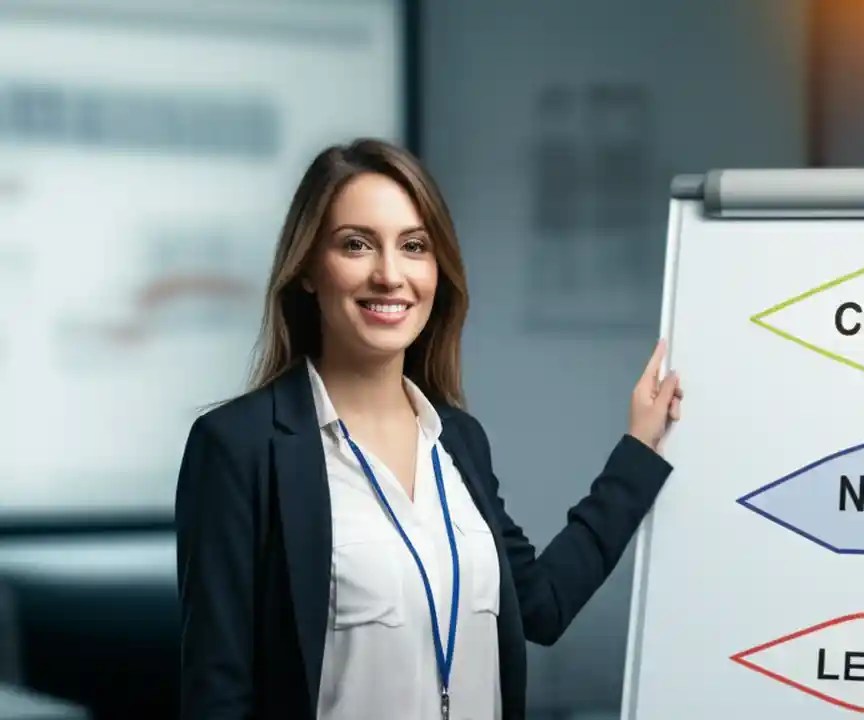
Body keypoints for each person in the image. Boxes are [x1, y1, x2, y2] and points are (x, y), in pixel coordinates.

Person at [173, 138, 683, 720]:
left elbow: (541, 604)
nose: (390, 275)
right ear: (310, 268)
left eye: (414, 246)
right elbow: (217, 695)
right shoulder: (239, 447)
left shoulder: (459, 441)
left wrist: (639, 451)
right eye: (357, 244)